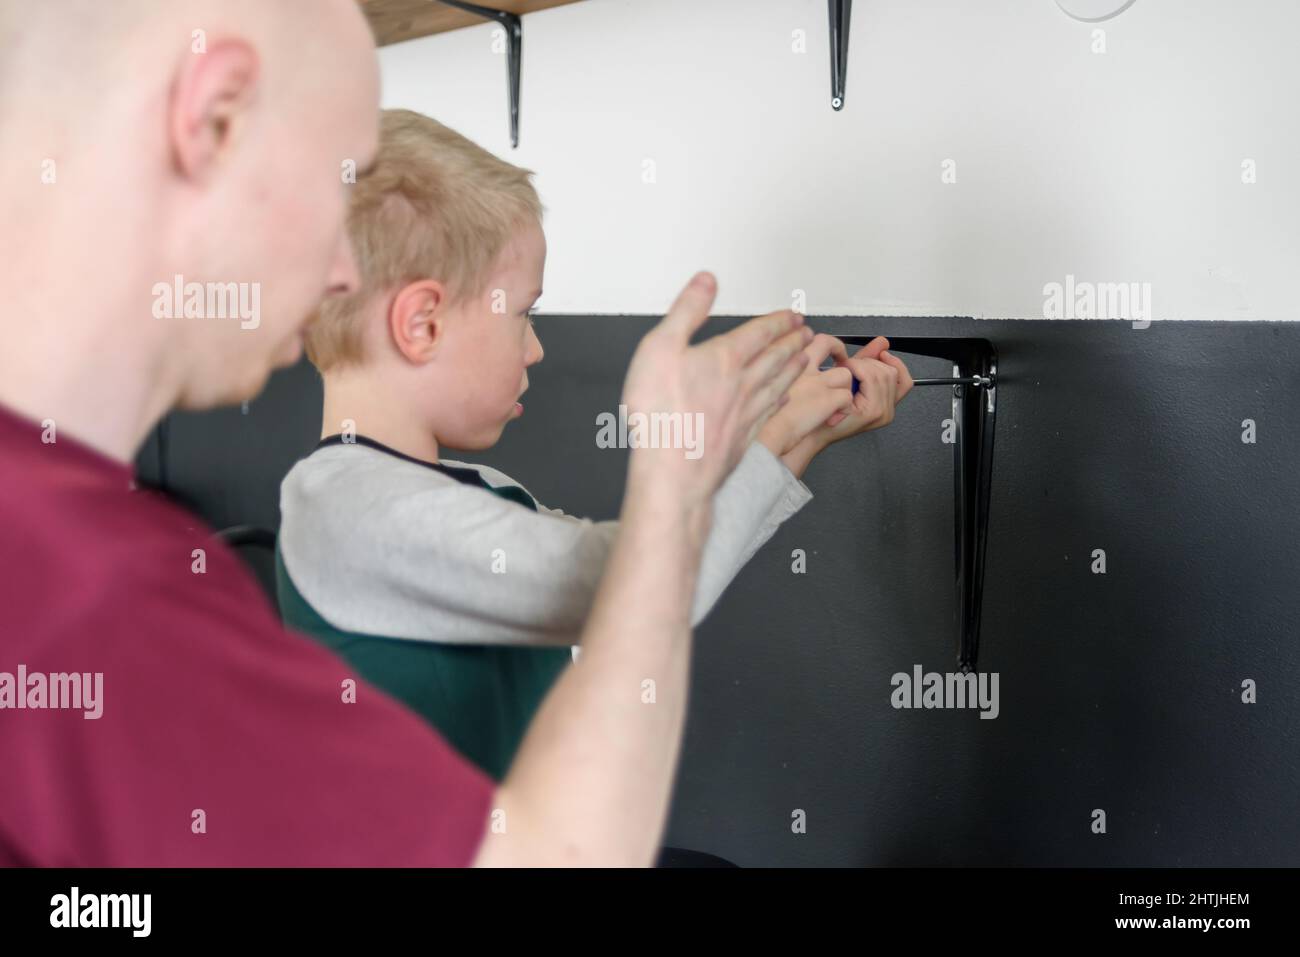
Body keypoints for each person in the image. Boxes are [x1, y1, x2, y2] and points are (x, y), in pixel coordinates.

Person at [0, 0, 808, 866]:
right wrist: (676, 480)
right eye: (329, 174)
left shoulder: (85, 568)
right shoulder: (95, 596)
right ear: (215, 115)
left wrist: (757, 449)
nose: (342, 270)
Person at [277, 108, 914, 778]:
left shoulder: (479, 492)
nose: (535, 347)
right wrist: (759, 436)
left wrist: (795, 434)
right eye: (523, 313)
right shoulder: (352, 512)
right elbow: (633, 589)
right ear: (422, 324)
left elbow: (655, 566)